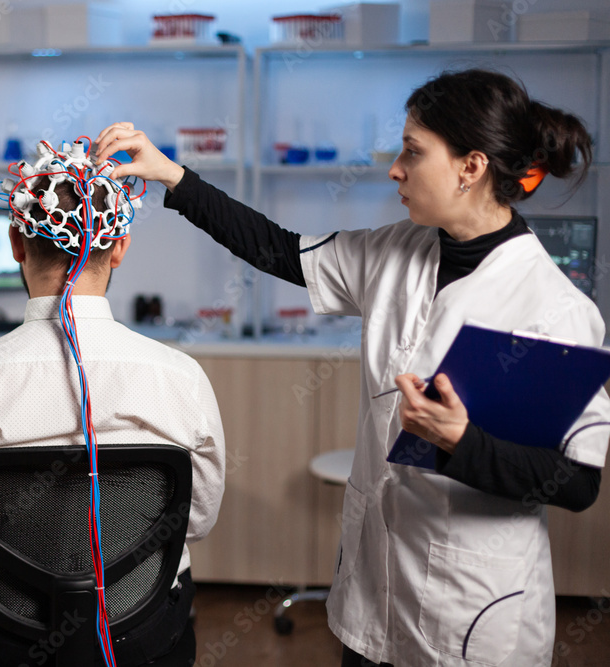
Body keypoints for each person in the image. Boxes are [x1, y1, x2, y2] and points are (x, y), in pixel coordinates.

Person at [92, 68, 610, 666]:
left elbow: (575, 481)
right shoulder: (396, 251)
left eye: (413, 152)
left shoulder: (551, 307)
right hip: (375, 587)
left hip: (473, 610)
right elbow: (277, 249)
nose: (395, 168)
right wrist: (172, 176)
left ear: (471, 168)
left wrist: (462, 443)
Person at [0, 140, 225, 666]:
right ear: (118, 247)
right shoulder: (182, 378)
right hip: (137, 630)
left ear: (14, 243)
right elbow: (197, 522)